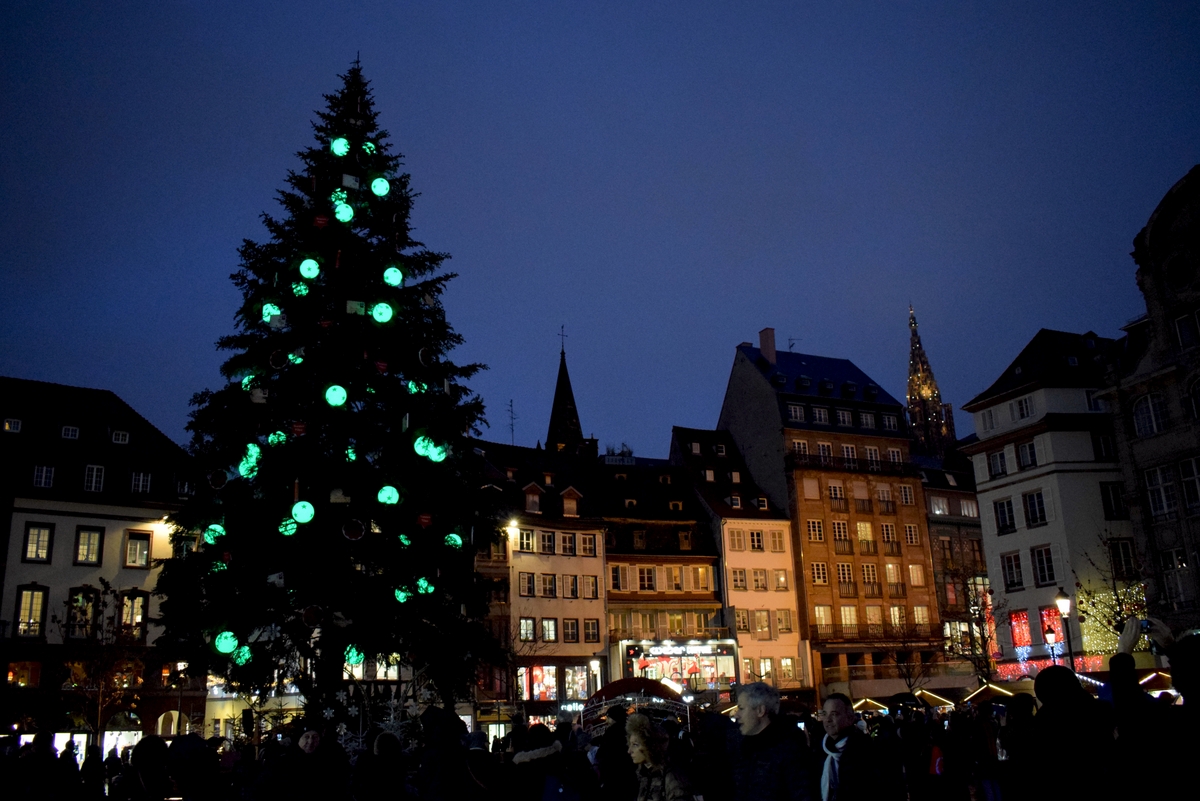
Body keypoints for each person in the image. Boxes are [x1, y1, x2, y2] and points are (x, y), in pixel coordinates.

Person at [730, 682, 814, 801]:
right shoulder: (743, 749)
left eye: (742, 708)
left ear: (760, 710)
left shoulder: (789, 751)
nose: (737, 714)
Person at [819, 692, 901, 801]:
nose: (828, 719)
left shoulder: (867, 753)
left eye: (834, 714)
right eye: (825, 713)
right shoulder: (820, 754)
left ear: (850, 718)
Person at [626, 713, 691, 801]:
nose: (629, 751)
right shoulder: (641, 775)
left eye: (635, 745)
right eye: (630, 744)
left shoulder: (671, 777)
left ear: (649, 747)